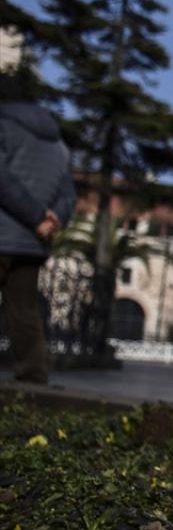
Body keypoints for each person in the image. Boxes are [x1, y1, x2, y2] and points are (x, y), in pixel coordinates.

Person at [1, 75, 76, 385]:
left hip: (5, 231)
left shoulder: (3, 126)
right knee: (24, 309)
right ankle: (32, 374)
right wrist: (51, 220)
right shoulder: (58, 144)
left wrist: (34, 216)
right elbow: (68, 194)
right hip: (33, 242)